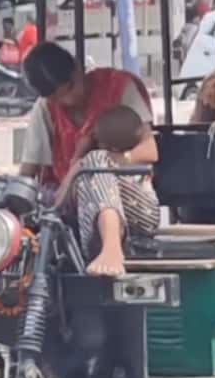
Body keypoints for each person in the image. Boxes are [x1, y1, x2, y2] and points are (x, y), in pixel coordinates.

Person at [4, 42, 156, 275]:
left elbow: (150, 150)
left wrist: (109, 159)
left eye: (71, 87)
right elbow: (28, 173)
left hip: (135, 209)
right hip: (73, 212)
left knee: (94, 163)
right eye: (58, 97)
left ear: (77, 69)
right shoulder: (45, 109)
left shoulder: (119, 88)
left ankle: (112, 249)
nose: (69, 100)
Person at [55, 105, 161, 276]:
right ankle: (107, 244)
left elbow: (58, 199)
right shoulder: (98, 170)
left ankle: (112, 250)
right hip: (120, 224)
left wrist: (79, 157)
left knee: (93, 161)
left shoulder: (105, 160)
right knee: (91, 171)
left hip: (144, 215)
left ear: (101, 142)